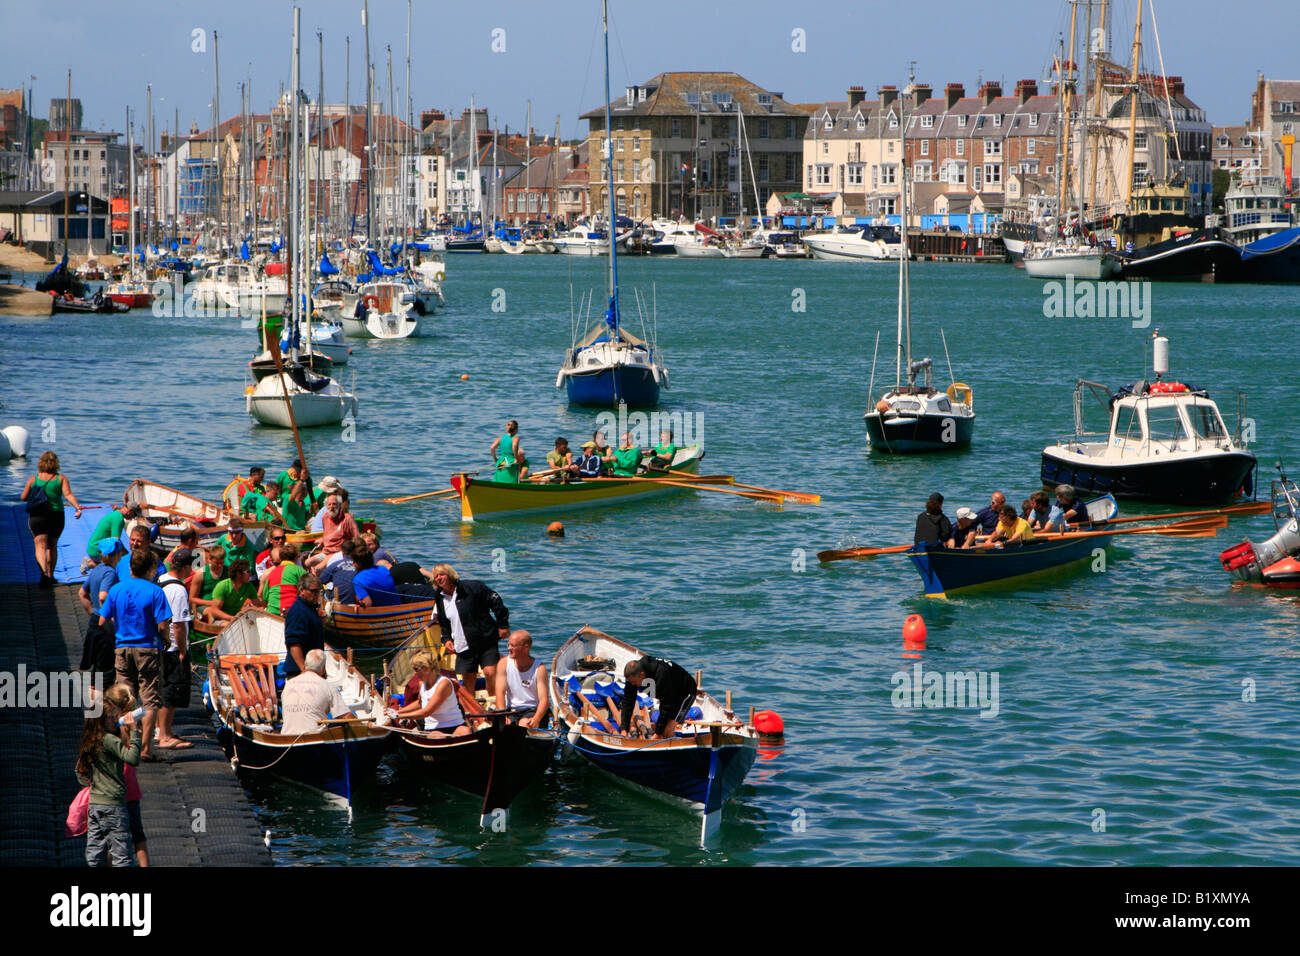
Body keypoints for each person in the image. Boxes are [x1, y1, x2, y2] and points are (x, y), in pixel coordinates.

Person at [99, 549, 172, 762]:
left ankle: (126, 744)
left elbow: (102, 621)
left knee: (124, 698)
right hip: (147, 647)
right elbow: (162, 625)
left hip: (122, 647)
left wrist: (119, 631)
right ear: (150, 569)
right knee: (150, 699)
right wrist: (165, 639)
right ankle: (145, 749)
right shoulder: (155, 591)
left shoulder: (116, 589)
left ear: (130, 567)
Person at [76, 682, 142, 866]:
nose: (116, 721)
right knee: (121, 852)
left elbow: (80, 772)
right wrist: (134, 732)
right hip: (114, 804)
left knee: (95, 849)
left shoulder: (90, 739)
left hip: (95, 804)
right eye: (113, 719)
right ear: (103, 720)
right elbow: (133, 758)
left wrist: (93, 785)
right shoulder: (110, 740)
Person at [430, 564, 509, 691]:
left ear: (450, 575)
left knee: (490, 672)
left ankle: (494, 704)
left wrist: (503, 625)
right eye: (436, 577)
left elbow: (495, 601)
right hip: (462, 645)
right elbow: (444, 622)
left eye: (442, 574)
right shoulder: (439, 597)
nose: (439, 578)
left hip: (485, 640)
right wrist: (446, 639)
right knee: (468, 679)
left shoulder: (471, 587)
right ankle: (471, 709)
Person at [20, 450, 84, 587]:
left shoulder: (34, 478)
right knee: (52, 546)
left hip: (38, 516)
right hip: (56, 516)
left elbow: (23, 497)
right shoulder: (60, 478)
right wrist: (78, 508)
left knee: (40, 545)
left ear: (41, 463)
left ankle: (43, 574)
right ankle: (51, 575)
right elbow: (68, 495)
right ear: (56, 464)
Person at [156, 548, 195, 750]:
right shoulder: (179, 590)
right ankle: (165, 735)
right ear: (186, 567)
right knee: (170, 692)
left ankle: (160, 729)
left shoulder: (161, 579)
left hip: (159, 644)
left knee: (160, 688)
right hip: (172, 646)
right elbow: (178, 624)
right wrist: (182, 650)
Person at [79, 539, 126, 690]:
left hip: (94, 623)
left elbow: (82, 593)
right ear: (117, 555)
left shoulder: (97, 569)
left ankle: (94, 707)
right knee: (106, 670)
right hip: (105, 626)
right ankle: (104, 708)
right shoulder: (110, 573)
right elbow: (103, 596)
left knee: (96, 671)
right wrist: (109, 617)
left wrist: (93, 612)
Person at [620, 655, 697, 740]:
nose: (632, 685)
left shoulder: (661, 675)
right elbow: (628, 701)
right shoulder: (633, 676)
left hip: (684, 693)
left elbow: (666, 707)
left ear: (642, 675)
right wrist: (624, 729)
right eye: (630, 682)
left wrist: (657, 733)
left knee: (667, 733)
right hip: (668, 690)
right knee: (662, 730)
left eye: (634, 682)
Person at [394, 651, 470, 736]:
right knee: (437, 737)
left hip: (456, 725)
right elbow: (420, 703)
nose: (414, 673)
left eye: (416, 669)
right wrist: (398, 711)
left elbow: (426, 712)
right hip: (433, 728)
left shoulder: (443, 684)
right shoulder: (421, 684)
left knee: (465, 731)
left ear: (426, 668)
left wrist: (398, 716)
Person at [279, 649, 352, 736]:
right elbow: (346, 716)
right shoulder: (328, 686)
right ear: (324, 668)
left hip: (286, 737)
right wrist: (366, 727)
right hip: (315, 738)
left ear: (305, 665)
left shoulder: (288, 684)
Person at [494, 631, 549, 728]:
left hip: (532, 709)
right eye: (508, 644)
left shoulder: (539, 669)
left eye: (513, 645)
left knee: (523, 725)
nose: (508, 648)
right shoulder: (503, 664)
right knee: (503, 726)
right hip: (512, 710)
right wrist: (503, 715)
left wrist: (536, 719)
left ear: (526, 648)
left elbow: (544, 700)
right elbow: (500, 692)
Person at [282, 573, 325, 679]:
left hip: (313, 671)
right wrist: (303, 669)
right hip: (299, 672)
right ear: (302, 591)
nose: (316, 595)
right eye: (313, 591)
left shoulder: (309, 608)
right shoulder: (298, 611)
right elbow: (293, 642)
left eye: (318, 591)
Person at [82, 503, 142, 573]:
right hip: (97, 550)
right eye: (134, 515)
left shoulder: (115, 514)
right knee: (115, 568)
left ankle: (91, 563)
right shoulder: (118, 519)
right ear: (130, 510)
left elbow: (116, 540)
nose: (132, 518)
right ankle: (91, 564)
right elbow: (116, 541)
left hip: (93, 547)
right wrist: (127, 555)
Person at [307, 493, 358, 571]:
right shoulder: (325, 517)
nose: (331, 507)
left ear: (339, 505)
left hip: (340, 553)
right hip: (326, 551)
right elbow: (327, 534)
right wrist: (323, 540)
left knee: (317, 568)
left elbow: (357, 538)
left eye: (334, 504)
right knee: (308, 562)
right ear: (326, 506)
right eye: (329, 504)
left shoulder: (347, 519)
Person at [205, 559, 263, 623]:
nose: (250, 574)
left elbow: (258, 606)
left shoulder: (249, 586)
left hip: (235, 619)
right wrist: (232, 618)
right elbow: (215, 611)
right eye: (248, 571)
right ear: (238, 574)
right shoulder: (223, 586)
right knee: (230, 627)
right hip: (220, 619)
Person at [259, 542, 304, 615]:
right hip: (292, 612)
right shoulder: (300, 571)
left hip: (272, 613)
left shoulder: (271, 573)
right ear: (296, 557)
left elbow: (265, 597)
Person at [189, 543, 228, 619]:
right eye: (217, 563)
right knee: (213, 611)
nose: (220, 566)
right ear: (209, 560)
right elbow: (192, 598)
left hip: (224, 605)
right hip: (205, 607)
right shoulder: (200, 574)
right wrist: (211, 603)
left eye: (222, 563)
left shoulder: (228, 572)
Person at [319, 537, 361, 604]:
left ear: (343, 552)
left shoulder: (335, 565)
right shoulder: (361, 566)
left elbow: (320, 581)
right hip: (357, 601)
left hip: (338, 603)